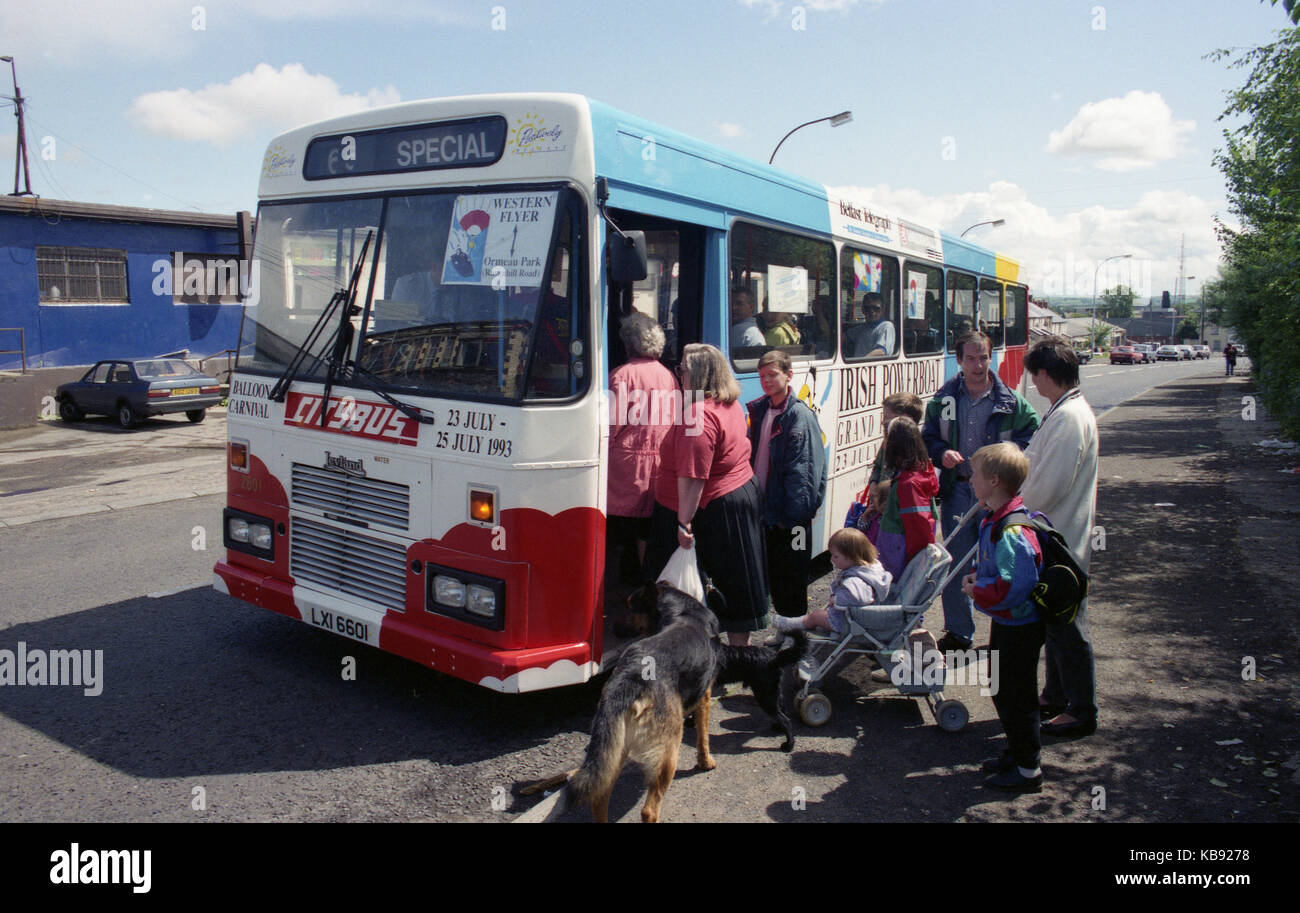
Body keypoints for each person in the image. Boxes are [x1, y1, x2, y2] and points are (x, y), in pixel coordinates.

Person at [923, 330, 1039, 652]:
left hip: (998, 497)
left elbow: (1033, 434)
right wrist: (940, 453)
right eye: (971, 359)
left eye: (983, 357)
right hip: (958, 490)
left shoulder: (1009, 400)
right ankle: (959, 635)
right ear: (959, 361)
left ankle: (1004, 633)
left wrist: (1009, 458)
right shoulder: (945, 398)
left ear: (991, 357)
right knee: (956, 564)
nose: (978, 365)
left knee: (1002, 565)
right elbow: (929, 435)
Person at [645, 343, 768, 645]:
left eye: (683, 370)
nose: (679, 376)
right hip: (736, 499)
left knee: (682, 589)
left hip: (706, 507)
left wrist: (683, 523)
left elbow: (692, 477)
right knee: (734, 580)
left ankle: (685, 652)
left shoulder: (696, 415)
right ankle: (739, 654)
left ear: (698, 375)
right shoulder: (730, 403)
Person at [1019, 335, 1099, 739]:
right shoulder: (1064, 410)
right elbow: (1035, 460)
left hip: (1060, 537)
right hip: (1057, 534)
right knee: (1056, 622)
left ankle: (1082, 709)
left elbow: (1047, 483)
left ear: (1046, 374)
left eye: (1035, 376)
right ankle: (1055, 694)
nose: (1034, 384)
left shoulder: (1069, 418)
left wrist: (1013, 506)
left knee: (1069, 627)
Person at [961, 442, 1046, 793]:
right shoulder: (998, 517)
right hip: (1010, 622)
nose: (970, 480)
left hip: (1020, 625)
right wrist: (980, 580)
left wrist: (977, 589)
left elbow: (1015, 584)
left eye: (975, 475)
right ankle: (1017, 752)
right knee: (1001, 687)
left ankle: (1028, 770)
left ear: (994, 480)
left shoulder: (1010, 530)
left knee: (1016, 694)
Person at [746, 350, 827, 619]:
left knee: (792, 578)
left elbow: (804, 476)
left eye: (772, 375)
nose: (766, 381)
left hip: (792, 521)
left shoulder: (799, 416)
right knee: (776, 577)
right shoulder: (759, 410)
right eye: (761, 376)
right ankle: (785, 635)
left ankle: (796, 643)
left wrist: (792, 519)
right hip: (767, 512)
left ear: (789, 375)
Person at [607, 314, 678, 584]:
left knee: (617, 534)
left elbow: (610, 428)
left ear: (628, 343)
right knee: (646, 535)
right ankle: (648, 590)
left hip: (623, 471)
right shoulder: (669, 376)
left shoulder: (621, 375)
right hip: (657, 466)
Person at [771, 528, 891, 636]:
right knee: (819, 613)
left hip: (848, 622)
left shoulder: (856, 581)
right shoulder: (871, 568)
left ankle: (789, 625)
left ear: (852, 557)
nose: (832, 559)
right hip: (856, 618)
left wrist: (836, 599)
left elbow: (860, 597)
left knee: (815, 616)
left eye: (836, 556)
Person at [870, 417, 939, 580]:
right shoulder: (919, 473)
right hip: (898, 552)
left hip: (898, 557)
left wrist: (915, 565)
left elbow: (919, 527)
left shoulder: (909, 484)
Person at [850, 292, 895, 358]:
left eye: (876, 308)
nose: (872, 311)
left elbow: (881, 351)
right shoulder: (860, 329)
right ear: (863, 310)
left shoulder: (886, 326)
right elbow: (843, 338)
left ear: (882, 310)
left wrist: (861, 362)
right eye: (867, 308)